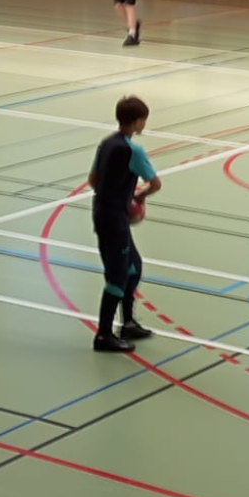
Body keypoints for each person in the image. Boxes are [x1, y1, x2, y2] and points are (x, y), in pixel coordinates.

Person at [88, 95, 162, 353]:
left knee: (133, 267)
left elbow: (93, 180)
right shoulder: (134, 151)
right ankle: (104, 335)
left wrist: (114, 195)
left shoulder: (106, 144)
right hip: (114, 219)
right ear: (138, 121)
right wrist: (136, 198)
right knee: (118, 275)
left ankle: (127, 322)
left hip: (102, 213)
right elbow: (155, 183)